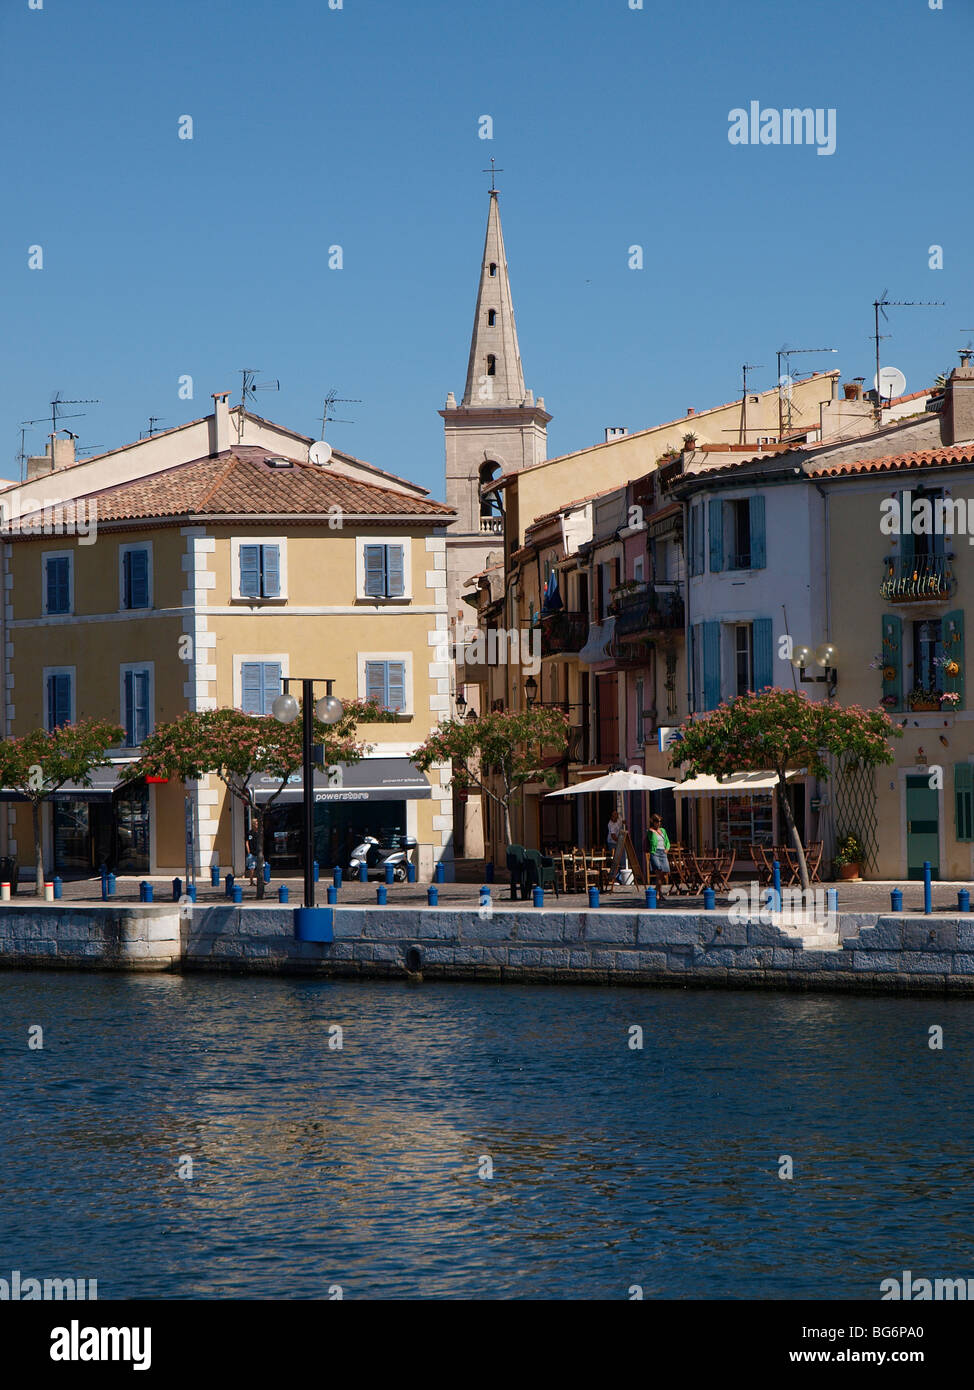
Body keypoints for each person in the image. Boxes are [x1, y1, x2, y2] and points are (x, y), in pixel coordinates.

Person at [647, 814, 671, 898]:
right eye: (657, 821)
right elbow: (651, 839)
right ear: (653, 822)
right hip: (655, 853)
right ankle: (658, 893)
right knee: (659, 872)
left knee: (665, 872)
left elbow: (667, 841)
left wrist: (667, 849)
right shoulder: (650, 831)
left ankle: (657, 890)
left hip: (663, 853)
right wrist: (652, 831)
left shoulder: (663, 830)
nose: (658, 823)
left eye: (660, 821)